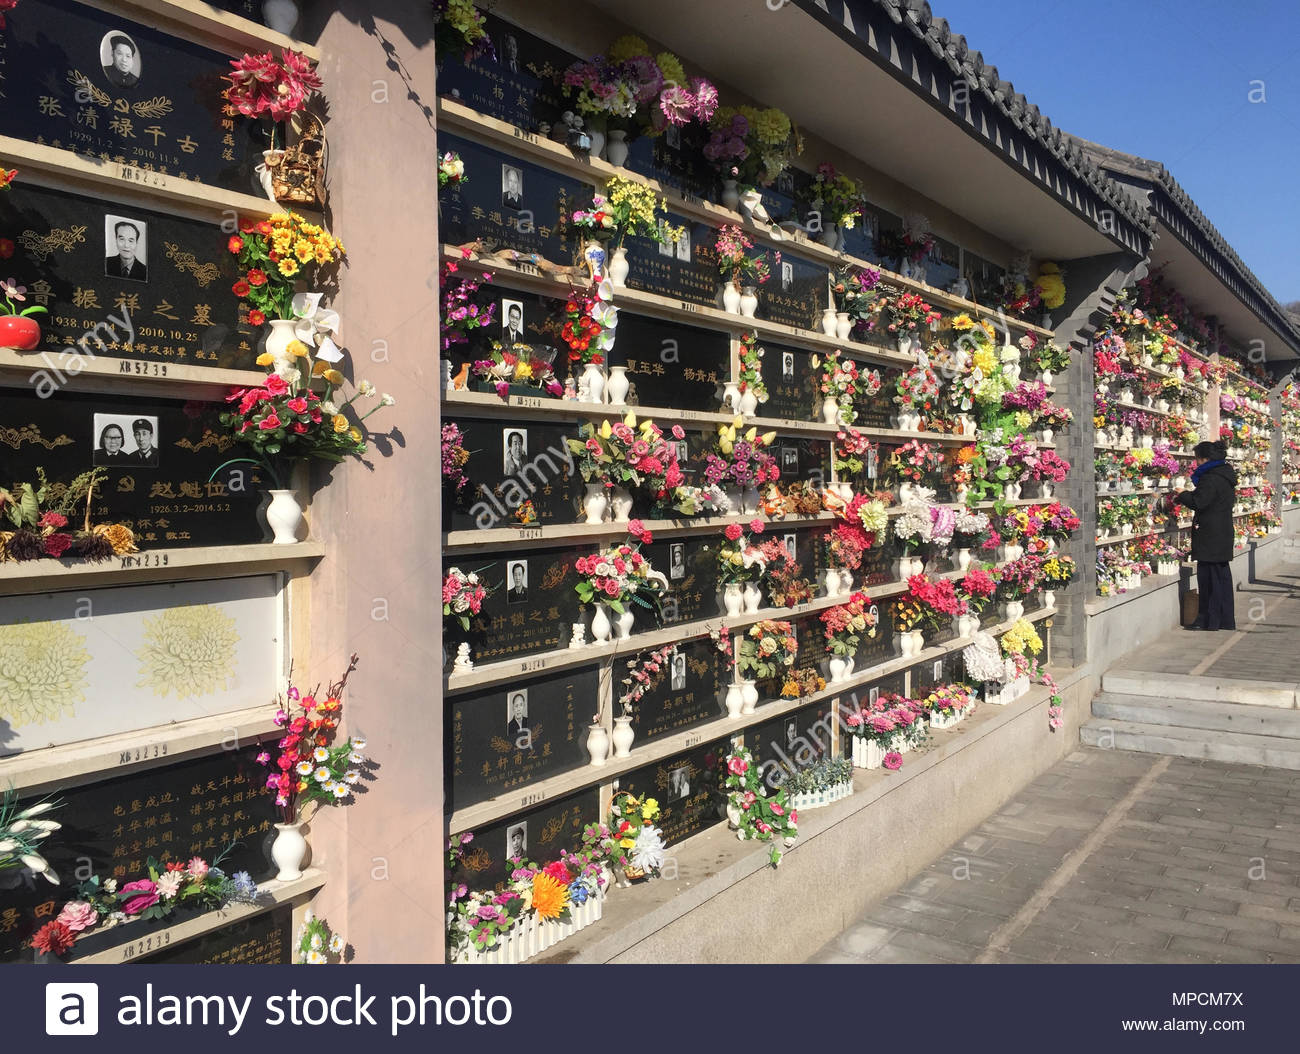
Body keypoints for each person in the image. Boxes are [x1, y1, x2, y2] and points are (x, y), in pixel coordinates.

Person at [1175, 440, 1237, 631]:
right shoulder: (1225, 474)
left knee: (1209, 580)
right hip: (1221, 534)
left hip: (1211, 536)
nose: (1197, 464)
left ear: (1205, 459)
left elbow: (1200, 501)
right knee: (1222, 578)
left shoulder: (1211, 477)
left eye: (1197, 460)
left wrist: (1183, 494)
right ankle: (1225, 619)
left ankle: (1208, 620)